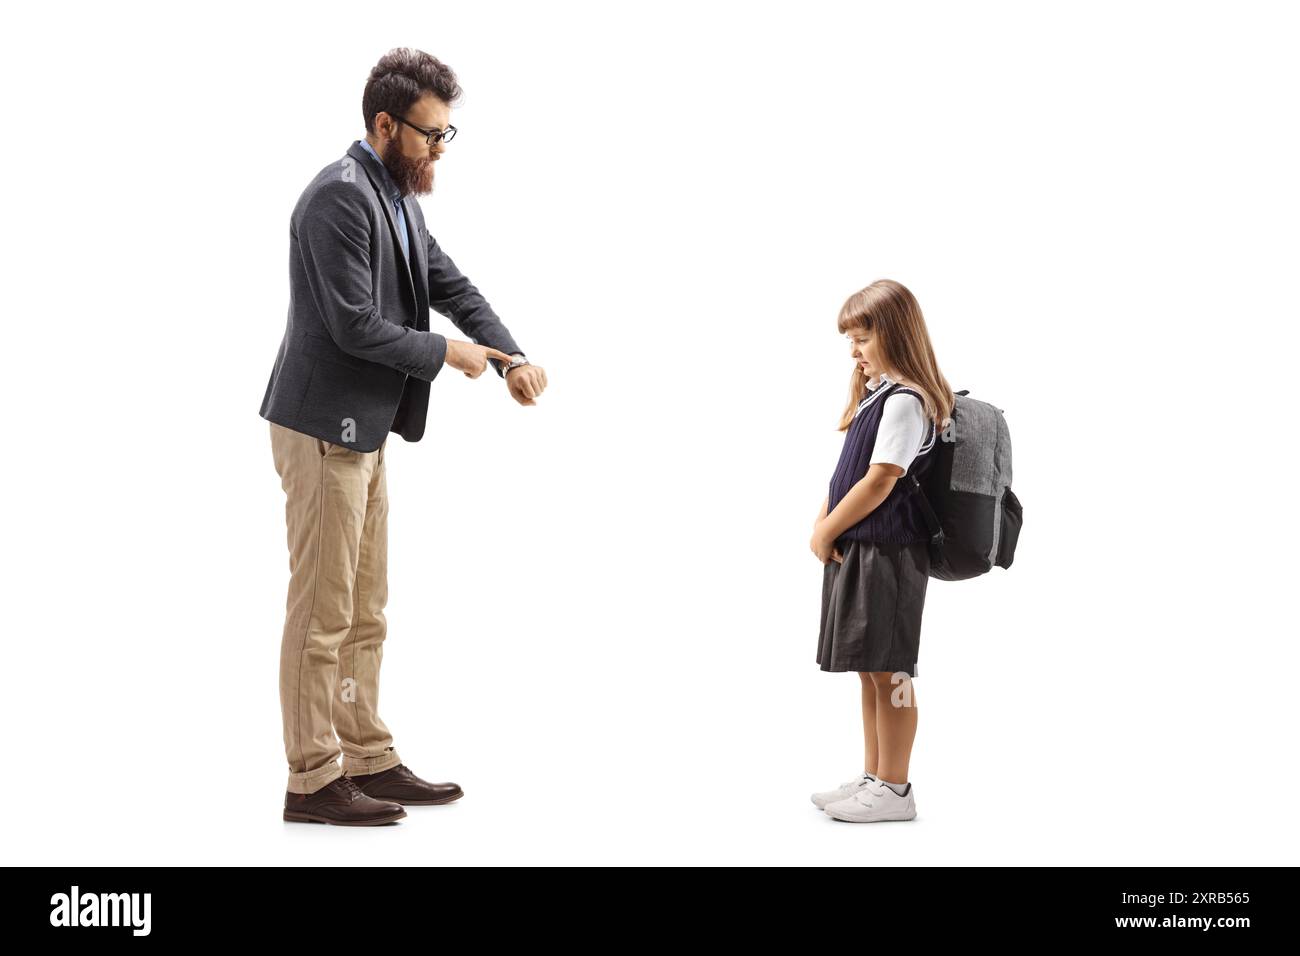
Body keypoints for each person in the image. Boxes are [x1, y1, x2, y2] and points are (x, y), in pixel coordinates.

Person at [260, 47, 549, 826]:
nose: (437, 151)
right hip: (322, 428)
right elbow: (355, 326)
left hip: (366, 428)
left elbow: (449, 284)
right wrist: (447, 354)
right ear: (384, 124)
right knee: (322, 612)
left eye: (447, 135)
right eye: (429, 135)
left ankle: (366, 756)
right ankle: (312, 778)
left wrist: (507, 355)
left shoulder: (396, 196)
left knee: (365, 607)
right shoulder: (336, 199)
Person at [807, 279, 953, 824]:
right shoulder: (877, 396)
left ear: (893, 333)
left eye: (862, 338)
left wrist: (825, 532)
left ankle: (894, 788)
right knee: (871, 668)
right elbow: (847, 476)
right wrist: (825, 523)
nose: (854, 351)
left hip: (889, 550)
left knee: (891, 672)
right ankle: (874, 776)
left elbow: (880, 480)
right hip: (864, 547)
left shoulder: (906, 401)